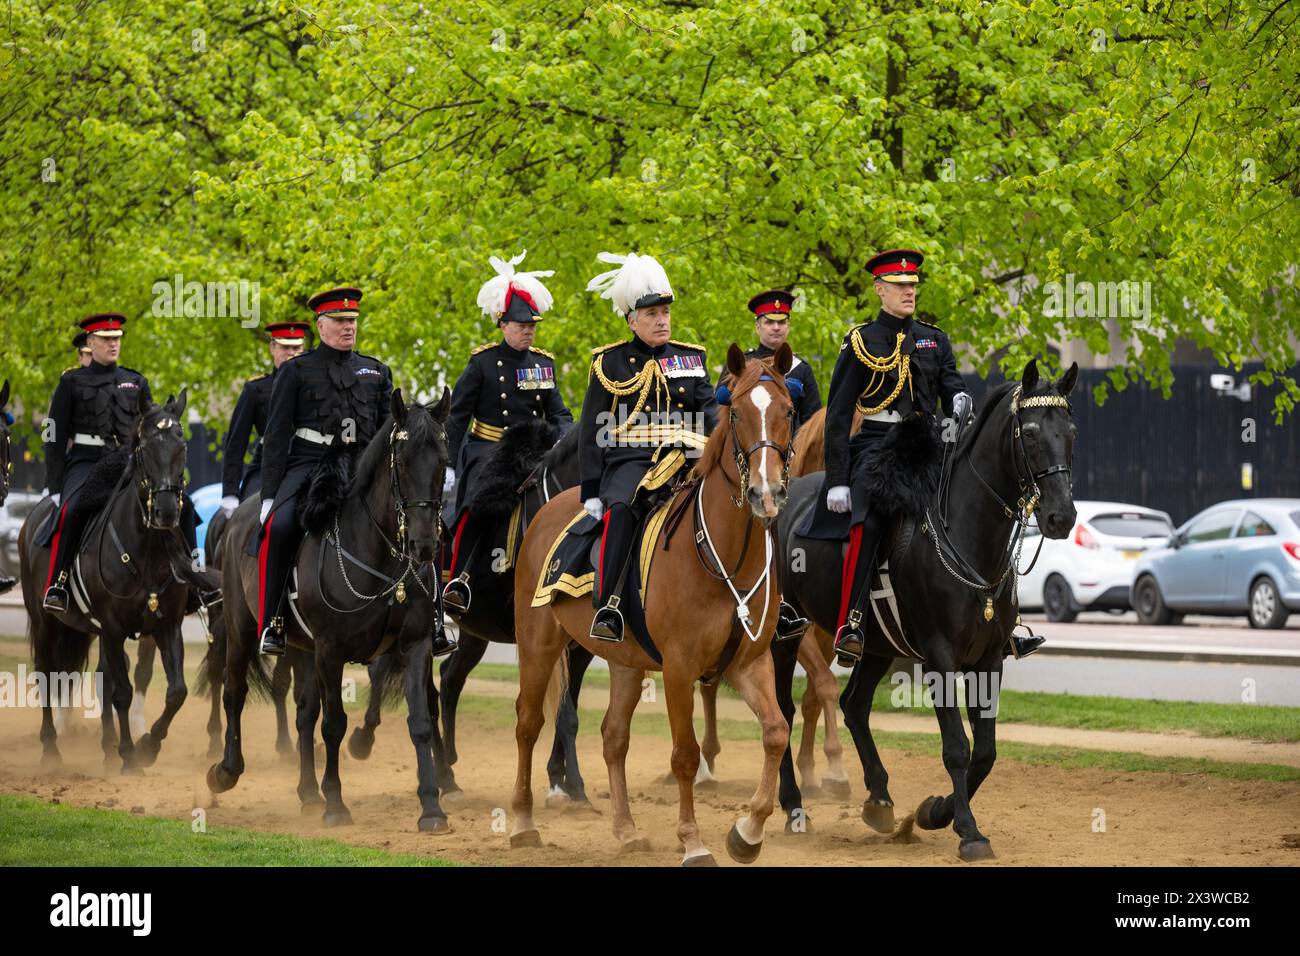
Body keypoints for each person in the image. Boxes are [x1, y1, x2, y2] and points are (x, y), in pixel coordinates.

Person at [579, 252, 718, 643]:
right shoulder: (610, 362)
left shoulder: (691, 358)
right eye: (653, 313)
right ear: (632, 320)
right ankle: (609, 605)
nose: (662, 320)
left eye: (666, 312)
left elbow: (710, 416)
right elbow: (592, 429)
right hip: (630, 459)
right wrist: (591, 490)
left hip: (685, 460)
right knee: (622, 510)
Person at [40, 314, 215, 613]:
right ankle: (59, 581)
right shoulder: (71, 382)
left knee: (185, 508)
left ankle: (196, 579)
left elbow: (151, 425)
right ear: (91, 342)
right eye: (107, 339)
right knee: (70, 512)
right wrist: (55, 485)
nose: (113, 344)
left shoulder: (135, 382)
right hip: (85, 460)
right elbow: (52, 434)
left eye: (117, 338)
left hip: (126, 460)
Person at [254, 288, 395, 655]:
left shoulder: (376, 371)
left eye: (352, 321)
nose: (349, 327)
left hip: (361, 468)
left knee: (411, 521)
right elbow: (276, 436)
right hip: (309, 466)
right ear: (321, 326)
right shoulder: (296, 371)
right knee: (280, 526)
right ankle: (272, 622)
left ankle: (429, 618)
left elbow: (385, 435)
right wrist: (270, 495)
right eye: (340, 321)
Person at [442, 252, 573, 616]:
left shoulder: (543, 364)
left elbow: (559, 412)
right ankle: (460, 578)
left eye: (532, 324)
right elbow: (456, 418)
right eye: (520, 324)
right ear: (503, 324)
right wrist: (450, 465)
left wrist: (565, 436)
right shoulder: (482, 362)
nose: (528, 330)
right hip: (488, 448)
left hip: (534, 450)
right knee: (479, 505)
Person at [219, 321, 309, 516]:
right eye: (285, 347)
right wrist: (230, 492)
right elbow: (236, 443)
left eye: (297, 347)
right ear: (272, 348)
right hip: (265, 466)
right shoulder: (256, 389)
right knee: (251, 515)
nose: (291, 353)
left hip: (304, 459)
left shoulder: (314, 385)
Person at [718, 289, 822, 432]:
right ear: (757, 327)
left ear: (788, 327)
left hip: (791, 451)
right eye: (769, 322)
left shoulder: (801, 369)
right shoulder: (740, 363)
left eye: (782, 322)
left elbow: (812, 423)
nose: (776, 327)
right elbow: (718, 414)